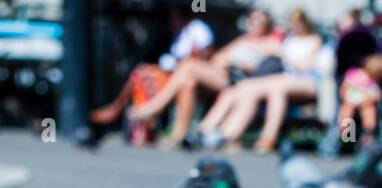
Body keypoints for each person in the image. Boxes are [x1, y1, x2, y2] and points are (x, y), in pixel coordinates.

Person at [129, 9, 281, 148]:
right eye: (251, 20)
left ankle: (154, 107)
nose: (252, 24)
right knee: (188, 81)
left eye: (257, 21)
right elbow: (218, 57)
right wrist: (224, 60)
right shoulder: (242, 40)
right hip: (221, 72)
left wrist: (239, 63)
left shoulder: (269, 43)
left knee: (188, 65)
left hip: (238, 80)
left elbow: (269, 67)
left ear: (266, 25)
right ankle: (179, 133)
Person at [196, 8, 327, 152]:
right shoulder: (287, 40)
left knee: (275, 88)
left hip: (305, 80)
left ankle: (267, 138)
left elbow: (306, 66)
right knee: (244, 88)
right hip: (284, 79)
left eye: (296, 22)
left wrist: (281, 53)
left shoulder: (314, 40)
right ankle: (212, 132)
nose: (293, 26)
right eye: (291, 22)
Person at [89, 9, 214, 144]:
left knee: (185, 79)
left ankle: (149, 110)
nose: (172, 22)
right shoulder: (176, 34)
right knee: (141, 72)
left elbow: (206, 54)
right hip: (172, 74)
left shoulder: (197, 28)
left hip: (193, 75)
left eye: (175, 18)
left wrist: (185, 59)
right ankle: (124, 113)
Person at [338, 54, 382, 145]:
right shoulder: (353, 74)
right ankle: (345, 132)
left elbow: (378, 95)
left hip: (366, 101)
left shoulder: (374, 81)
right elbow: (345, 88)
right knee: (347, 107)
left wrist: (369, 97)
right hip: (351, 98)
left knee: (369, 110)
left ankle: (367, 135)